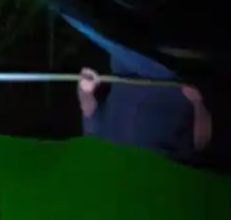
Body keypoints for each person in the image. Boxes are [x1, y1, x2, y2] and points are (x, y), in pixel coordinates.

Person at [76, 65, 213, 163]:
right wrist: (198, 103)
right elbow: (200, 143)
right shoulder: (163, 170)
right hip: (168, 78)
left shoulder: (102, 152)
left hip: (125, 69)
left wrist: (85, 89)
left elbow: (89, 110)